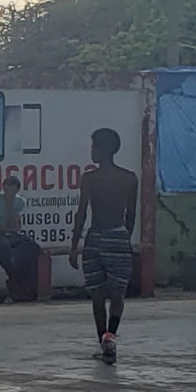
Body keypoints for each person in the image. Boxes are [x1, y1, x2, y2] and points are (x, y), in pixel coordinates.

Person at [69, 127, 139, 365]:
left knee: (97, 295)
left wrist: (74, 244)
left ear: (101, 149)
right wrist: (124, 239)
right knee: (118, 294)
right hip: (118, 236)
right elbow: (131, 216)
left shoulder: (90, 179)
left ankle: (104, 342)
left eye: (93, 147)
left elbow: (81, 214)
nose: (91, 151)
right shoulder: (129, 178)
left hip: (95, 237)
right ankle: (111, 336)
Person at [0, 174, 41, 299]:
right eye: (7, 190)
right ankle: (14, 280)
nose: (9, 193)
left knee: (32, 247)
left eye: (12, 191)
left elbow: (16, 226)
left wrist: (11, 208)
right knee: (3, 248)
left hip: (12, 234)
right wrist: (6, 228)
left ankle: (30, 286)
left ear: (17, 191)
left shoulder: (20, 202)